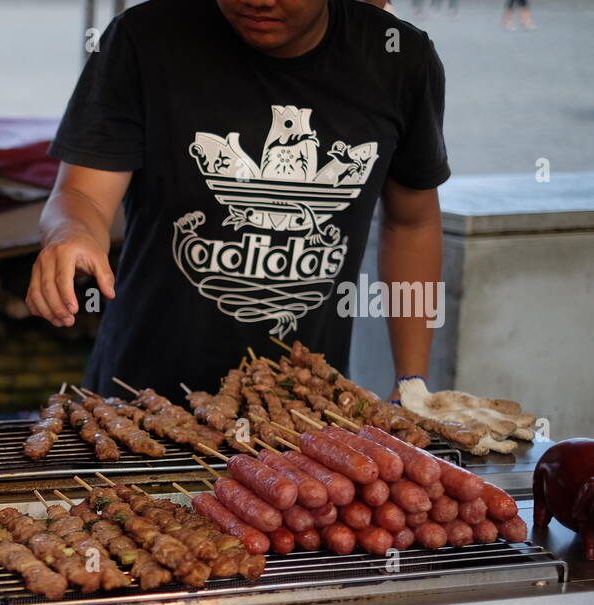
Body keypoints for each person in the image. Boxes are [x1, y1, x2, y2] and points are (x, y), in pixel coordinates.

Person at [26, 0, 449, 402]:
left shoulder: (397, 58)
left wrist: (411, 379)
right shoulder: (145, 38)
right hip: (139, 396)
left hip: (306, 404)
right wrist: (71, 232)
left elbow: (411, 223)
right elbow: (81, 193)